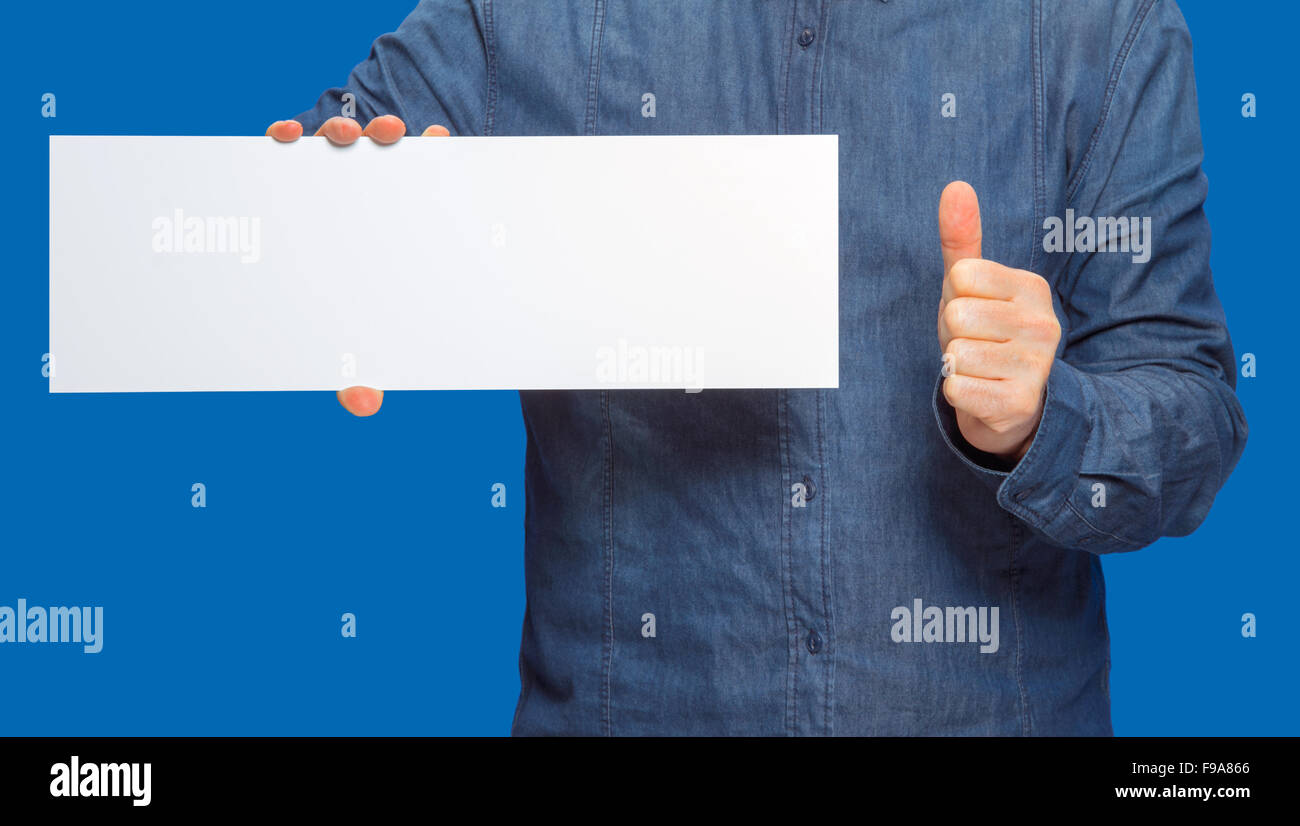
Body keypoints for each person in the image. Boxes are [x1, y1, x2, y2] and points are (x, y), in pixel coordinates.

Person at [267, 0, 1247, 735]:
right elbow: (310, 209)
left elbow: (1192, 411)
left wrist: (1051, 418)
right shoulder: (523, 14)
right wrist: (337, 227)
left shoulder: (1099, 24)